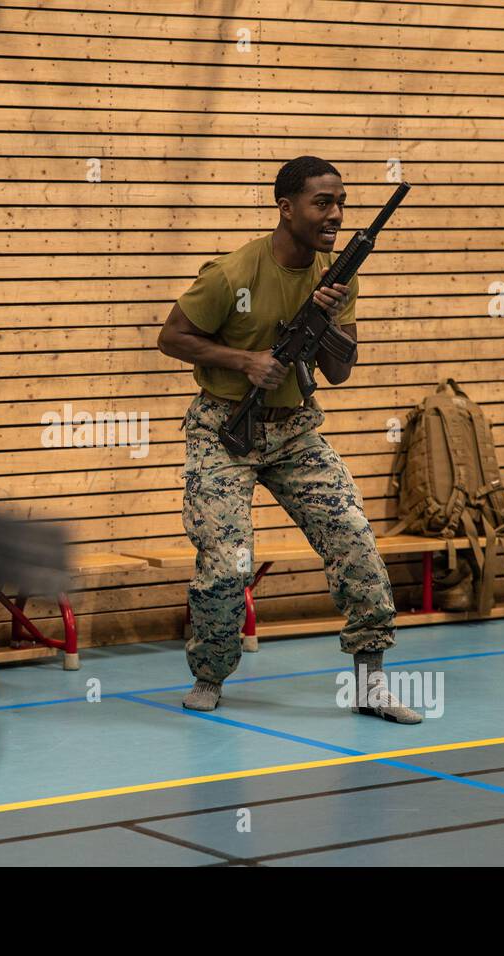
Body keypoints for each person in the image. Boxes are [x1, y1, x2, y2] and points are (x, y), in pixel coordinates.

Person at [156, 155, 421, 723]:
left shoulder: (338, 275)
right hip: (224, 429)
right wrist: (244, 361)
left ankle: (371, 681)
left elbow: (341, 372)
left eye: (341, 202)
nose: (336, 214)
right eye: (322, 203)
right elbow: (171, 336)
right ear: (286, 208)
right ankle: (210, 674)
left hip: (296, 433)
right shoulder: (232, 272)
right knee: (228, 564)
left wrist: (324, 320)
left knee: (353, 537)